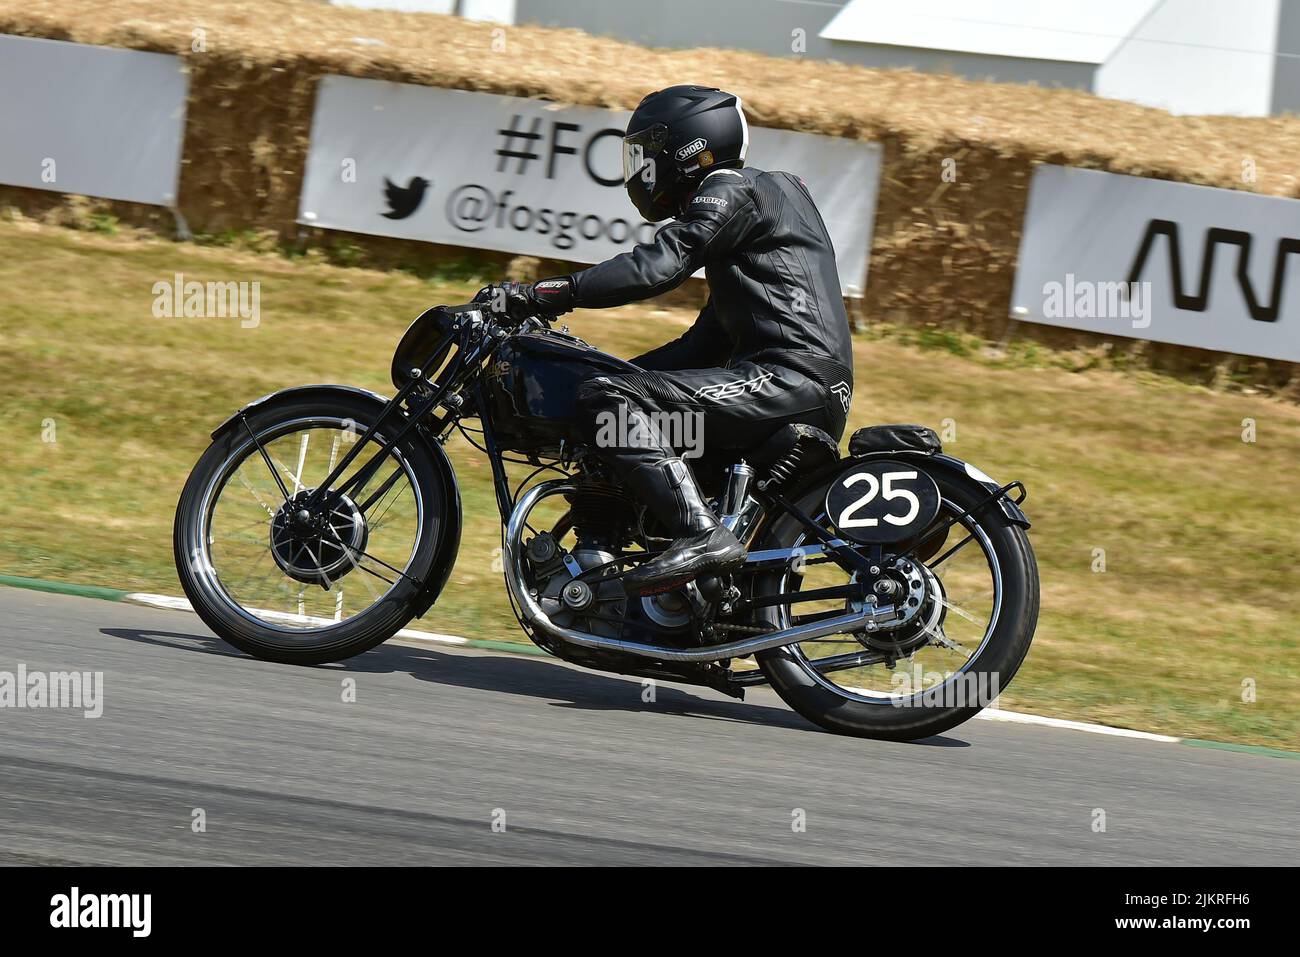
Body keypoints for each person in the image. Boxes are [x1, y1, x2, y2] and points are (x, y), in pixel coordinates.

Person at [487, 85, 854, 595]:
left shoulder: (734, 188)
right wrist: (611, 375)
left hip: (787, 380)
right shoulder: (756, 233)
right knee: (615, 404)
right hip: (795, 385)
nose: (640, 168)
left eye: (646, 152)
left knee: (608, 401)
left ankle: (699, 535)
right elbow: (702, 347)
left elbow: (659, 265)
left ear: (686, 146)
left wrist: (551, 293)